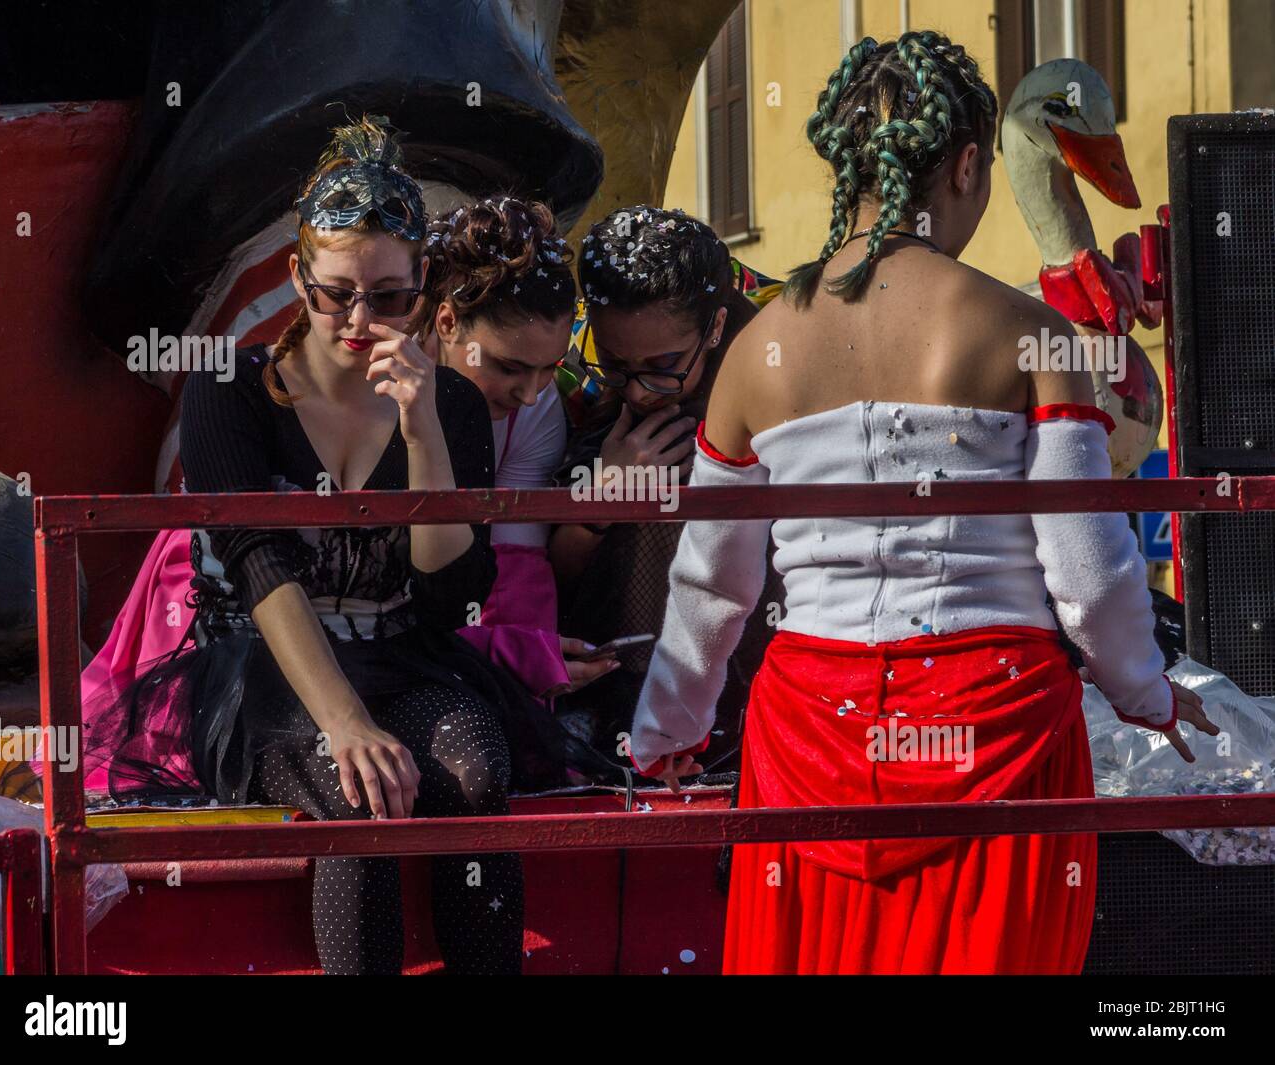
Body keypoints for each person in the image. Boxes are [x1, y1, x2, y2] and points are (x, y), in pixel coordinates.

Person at [628, 31, 1216, 975]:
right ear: (970, 163)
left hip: (808, 735)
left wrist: (666, 730)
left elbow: (710, 589)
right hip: (999, 729)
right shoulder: (1038, 335)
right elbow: (1087, 569)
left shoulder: (753, 351)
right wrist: (1146, 693)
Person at [85, 115, 528, 974]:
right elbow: (256, 561)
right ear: (297, 277)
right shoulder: (229, 391)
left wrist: (424, 431)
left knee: (476, 777)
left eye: (391, 296)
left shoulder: (454, 407)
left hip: (407, 655)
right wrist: (346, 722)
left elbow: (449, 598)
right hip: (264, 664)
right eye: (335, 293)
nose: (360, 318)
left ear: (423, 285)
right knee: (356, 796)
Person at [549, 206, 777, 776]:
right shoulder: (567, 370)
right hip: (609, 683)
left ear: (718, 327)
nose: (643, 391)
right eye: (618, 364)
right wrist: (602, 499)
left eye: (664, 365)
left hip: (755, 682)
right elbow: (546, 576)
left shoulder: (782, 370)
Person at [408, 197, 617, 703]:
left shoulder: (538, 406)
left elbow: (515, 571)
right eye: (508, 368)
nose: (530, 392)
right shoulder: (371, 382)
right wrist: (508, 656)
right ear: (447, 322)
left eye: (549, 367)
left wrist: (531, 659)